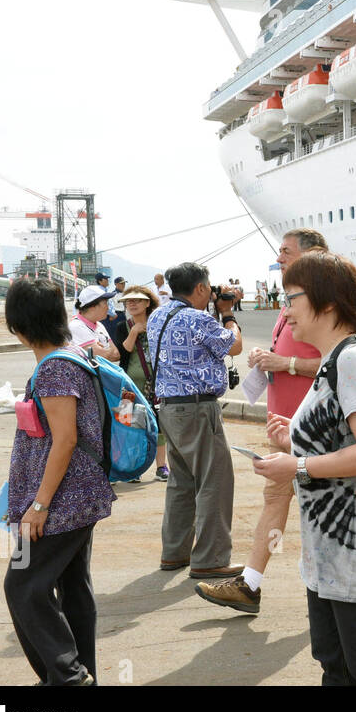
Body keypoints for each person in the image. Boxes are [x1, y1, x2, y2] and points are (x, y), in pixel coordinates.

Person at [247, 252, 356, 685]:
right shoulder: (335, 358)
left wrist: (298, 465)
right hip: (330, 545)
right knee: (336, 663)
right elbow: (344, 433)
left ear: (325, 302)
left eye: (292, 299)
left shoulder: (354, 361)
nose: (285, 311)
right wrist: (297, 437)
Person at [196, 229, 327, 614]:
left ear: (312, 255)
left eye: (286, 252)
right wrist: (266, 357)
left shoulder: (327, 303)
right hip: (284, 426)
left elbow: (342, 361)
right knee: (275, 497)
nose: (279, 258)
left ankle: (329, 592)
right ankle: (250, 583)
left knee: (318, 505)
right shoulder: (292, 301)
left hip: (317, 425)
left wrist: (284, 363)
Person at [3, 277, 115, 685]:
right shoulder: (73, 356)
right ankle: (78, 674)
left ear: (19, 326)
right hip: (80, 494)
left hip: (62, 499)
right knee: (72, 586)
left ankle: (67, 676)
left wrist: (39, 505)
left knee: (22, 586)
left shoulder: (53, 368)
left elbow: (65, 440)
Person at [146, 263, 244, 580]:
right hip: (198, 409)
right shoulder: (197, 318)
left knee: (181, 482)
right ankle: (211, 558)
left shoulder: (159, 315)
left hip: (170, 409)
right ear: (200, 288)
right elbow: (234, 345)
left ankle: (174, 552)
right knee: (214, 481)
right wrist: (228, 315)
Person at [111, 286, 170, 481]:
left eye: (137, 300)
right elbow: (123, 351)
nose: (132, 304)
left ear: (147, 303)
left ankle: (161, 466)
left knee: (160, 426)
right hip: (128, 385)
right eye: (128, 301)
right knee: (128, 426)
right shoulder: (122, 327)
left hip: (157, 384)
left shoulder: (159, 325)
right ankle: (132, 468)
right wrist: (134, 331)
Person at [69, 285, 120, 362]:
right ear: (92, 306)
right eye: (105, 303)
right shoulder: (76, 326)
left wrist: (102, 350)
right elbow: (110, 355)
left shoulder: (99, 325)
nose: (108, 308)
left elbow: (117, 355)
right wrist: (106, 350)